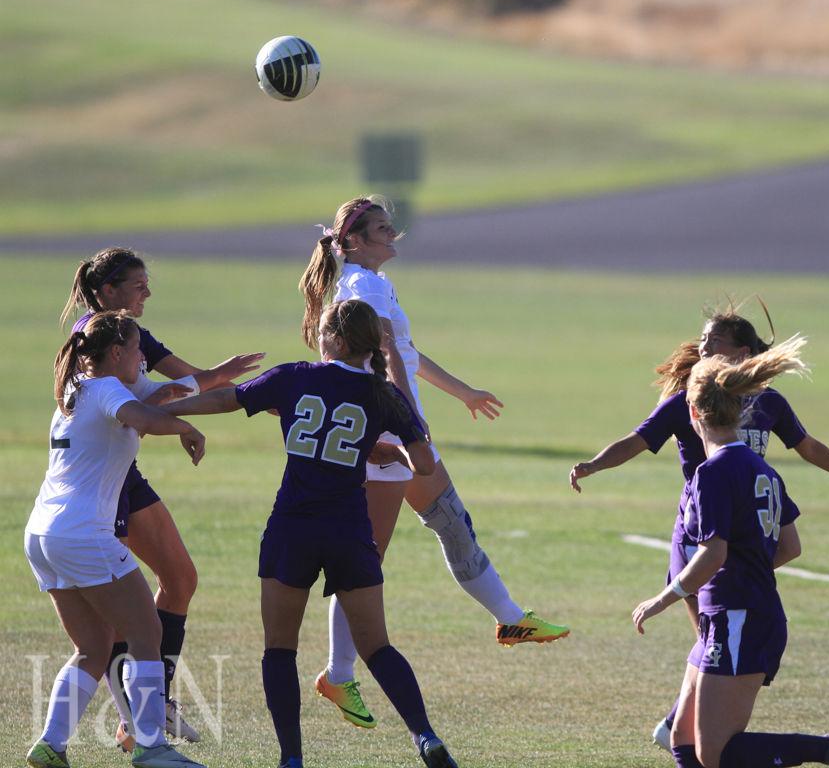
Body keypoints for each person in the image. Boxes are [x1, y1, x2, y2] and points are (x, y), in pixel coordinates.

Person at [570, 305, 829, 747]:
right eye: (703, 340)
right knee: (710, 636)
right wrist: (593, 465)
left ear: (741, 351)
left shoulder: (768, 405)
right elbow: (638, 438)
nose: (702, 347)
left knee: (721, 639)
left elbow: (810, 448)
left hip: (744, 523)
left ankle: (684, 728)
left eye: (713, 341)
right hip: (699, 532)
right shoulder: (693, 398)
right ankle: (685, 726)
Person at [299, 197, 568, 727]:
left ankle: (512, 620)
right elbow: (360, 364)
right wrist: (391, 430)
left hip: (402, 431)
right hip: (387, 438)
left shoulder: (368, 283)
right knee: (365, 561)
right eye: (381, 227)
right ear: (353, 241)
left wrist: (463, 392)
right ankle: (337, 674)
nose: (392, 231)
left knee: (452, 525)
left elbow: (407, 356)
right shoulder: (364, 287)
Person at [162, 300, 459, 768]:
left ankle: (292, 759)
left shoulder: (296, 376)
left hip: (292, 528)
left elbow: (228, 399)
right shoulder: (385, 395)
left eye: (321, 331)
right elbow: (424, 463)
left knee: (279, 649)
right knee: (377, 646)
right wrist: (392, 454)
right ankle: (425, 735)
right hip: (348, 529)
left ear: (337, 340)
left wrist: (165, 410)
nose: (315, 338)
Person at [631, 337, 829, 768]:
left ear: (693, 414)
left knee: (718, 754)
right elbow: (790, 546)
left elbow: (712, 554)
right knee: (682, 737)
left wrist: (662, 598)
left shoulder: (711, 472)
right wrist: (741, 566)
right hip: (734, 615)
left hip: (737, 618)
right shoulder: (763, 468)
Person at [61, 247, 263, 749]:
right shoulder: (99, 337)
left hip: (125, 474)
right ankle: (137, 719)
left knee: (180, 579)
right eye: (138, 284)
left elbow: (179, 384)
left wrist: (237, 384)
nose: (148, 292)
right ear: (108, 292)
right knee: (118, 620)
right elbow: (146, 407)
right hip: (100, 485)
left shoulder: (132, 335)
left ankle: (151, 705)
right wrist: (224, 396)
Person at [25, 312, 207, 768]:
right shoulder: (106, 387)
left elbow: (144, 407)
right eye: (136, 347)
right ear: (116, 353)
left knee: (93, 648)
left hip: (44, 534)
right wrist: (185, 427)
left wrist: (174, 403)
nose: (143, 356)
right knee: (147, 633)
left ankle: (50, 745)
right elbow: (141, 417)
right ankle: (151, 747)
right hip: (84, 533)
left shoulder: (73, 390)